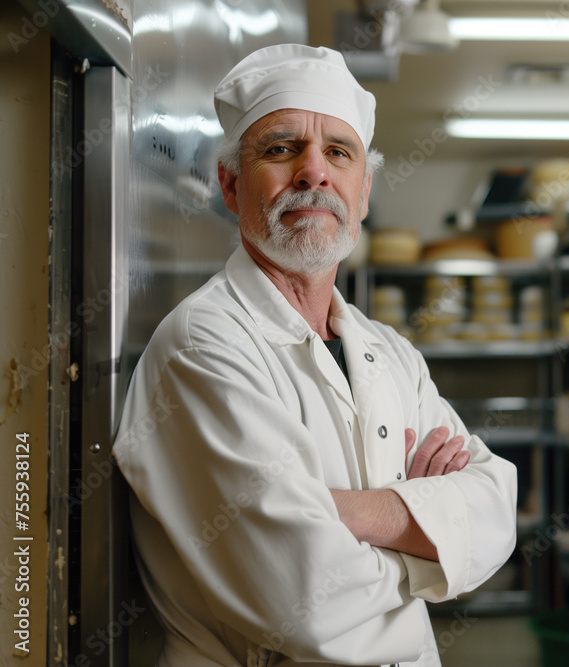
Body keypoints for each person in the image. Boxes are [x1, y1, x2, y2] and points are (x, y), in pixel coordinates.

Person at [112, 44, 518, 667]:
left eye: (339, 153)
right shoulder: (202, 348)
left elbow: (495, 509)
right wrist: (433, 544)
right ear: (230, 184)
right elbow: (308, 607)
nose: (313, 174)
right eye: (281, 149)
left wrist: (343, 513)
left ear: (363, 191)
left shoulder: (391, 354)